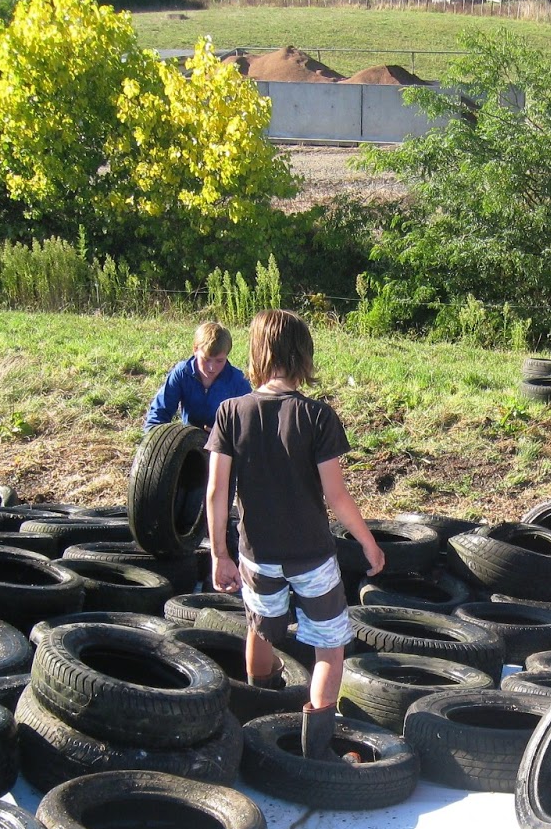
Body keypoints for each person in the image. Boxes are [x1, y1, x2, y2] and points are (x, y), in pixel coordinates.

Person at [205, 309, 384, 760]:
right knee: (329, 645)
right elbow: (336, 496)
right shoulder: (318, 416)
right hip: (312, 557)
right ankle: (314, 751)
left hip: (257, 555)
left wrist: (219, 555)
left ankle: (253, 716)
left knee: (262, 631)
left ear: (257, 353)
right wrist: (367, 541)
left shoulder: (230, 412)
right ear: (302, 354)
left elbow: (215, 493)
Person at [144, 321, 253, 431]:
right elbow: (159, 412)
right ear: (195, 350)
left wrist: (222, 437)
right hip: (188, 440)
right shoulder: (183, 373)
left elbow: (249, 425)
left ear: (227, 355)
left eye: (219, 361)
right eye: (206, 359)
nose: (212, 368)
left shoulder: (238, 382)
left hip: (224, 443)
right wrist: (152, 439)